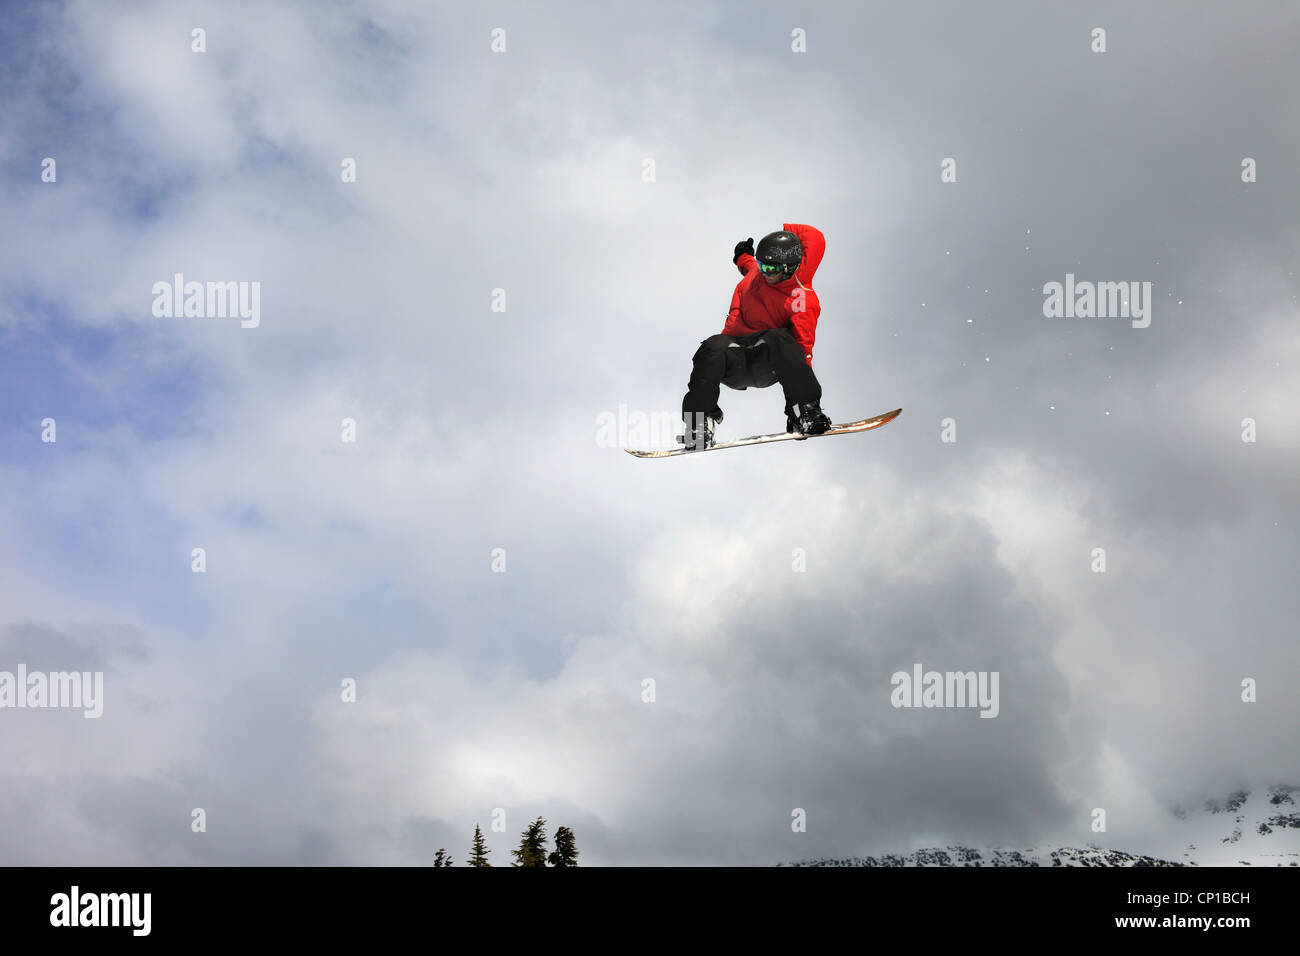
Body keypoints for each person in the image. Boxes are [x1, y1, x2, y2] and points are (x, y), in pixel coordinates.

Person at [680, 223, 832, 450]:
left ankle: (805, 412)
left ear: (788, 268)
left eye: (770, 269)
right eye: (762, 265)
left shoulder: (801, 297)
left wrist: (800, 399)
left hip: (768, 361)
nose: (764, 272)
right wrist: (742, 256)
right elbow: (750, 266)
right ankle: (699, 424)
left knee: (780, 338)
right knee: (713, 346)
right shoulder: (758, 273)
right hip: (737, 358)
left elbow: (802, 348)